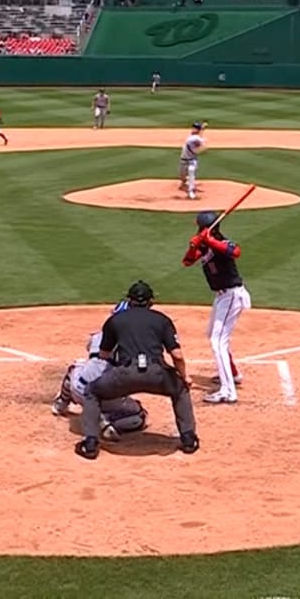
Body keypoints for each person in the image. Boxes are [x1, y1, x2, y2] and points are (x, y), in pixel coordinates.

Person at [74, 281, 200, 460]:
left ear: (129, 300)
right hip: (157, 374)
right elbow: (177, 355)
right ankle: (188, 439)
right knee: (180, 389)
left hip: (124, 374)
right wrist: (184, 377)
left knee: (92, 391)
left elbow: (103, 354)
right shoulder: (162, 319)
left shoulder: (115, 320)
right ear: (151, 301)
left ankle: (91, 443)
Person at [183, 211, 250, 404]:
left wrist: (210, 240)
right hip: (222, 297)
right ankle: (233, 374)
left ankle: (228, 392)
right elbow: (187, 261)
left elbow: (235, 251)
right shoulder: (204, 245)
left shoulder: (221, 241)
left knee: (217, 341)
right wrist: (193, 246)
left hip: (231, 295)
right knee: (214, 334)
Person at [51, 331, 149, 441]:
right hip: (109, 400)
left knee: (76, 367)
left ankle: (60, 404)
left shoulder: (99, 335)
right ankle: (107, 420)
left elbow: (90, 348)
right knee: (140, 416)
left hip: (79, 390)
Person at [179, 121, 206, 200]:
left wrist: (201, 146)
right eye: (193, 127)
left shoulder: (195, 138)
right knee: (182, 176)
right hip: (183, 160)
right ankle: (184, 182)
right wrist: (202, 129)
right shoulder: (194, 137)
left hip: (192, 160)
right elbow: (199, 138)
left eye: (195, 128)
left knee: (191, 171)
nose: (193, 129)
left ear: (197, 129)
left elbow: (201, 143)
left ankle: (191, 192)